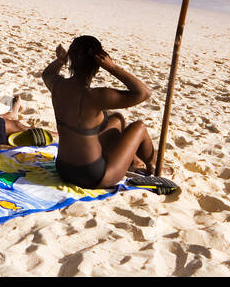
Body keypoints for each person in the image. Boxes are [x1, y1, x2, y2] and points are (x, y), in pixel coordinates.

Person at [40, 36, 155, 187]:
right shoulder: (96, 96)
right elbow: (143, 93)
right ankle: (154, 167)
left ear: (72, 60)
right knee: (139, 127)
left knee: (117, 119)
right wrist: (112, 67)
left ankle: (131, 159)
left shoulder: (58, 86)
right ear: (98, 64)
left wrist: (61, 60)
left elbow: (47, 74)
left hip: (63, 169)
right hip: (93, 176)